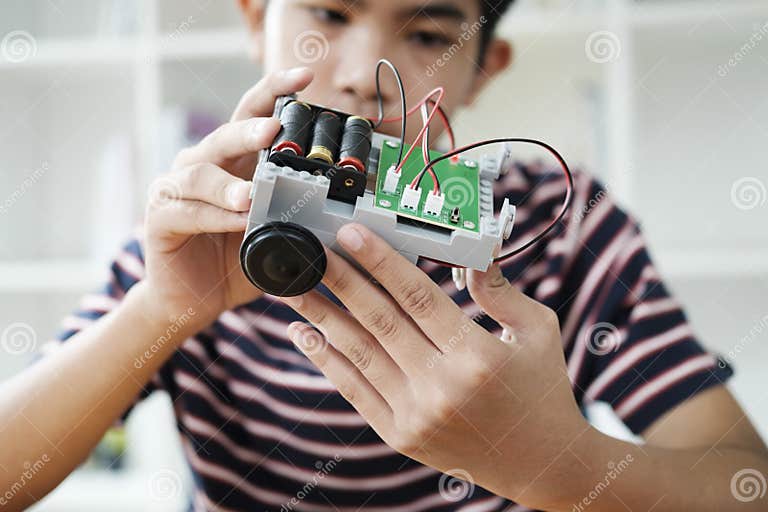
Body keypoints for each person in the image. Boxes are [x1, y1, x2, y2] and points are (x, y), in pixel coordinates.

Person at [2, 1, 767, 511]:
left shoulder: (559, 230)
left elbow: (746, 484)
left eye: (430, 34)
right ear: (254, 16)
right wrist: (163, 310)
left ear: (484, 65)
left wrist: (556, 463)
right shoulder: (195, 220)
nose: (364, 74)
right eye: (329, 12)